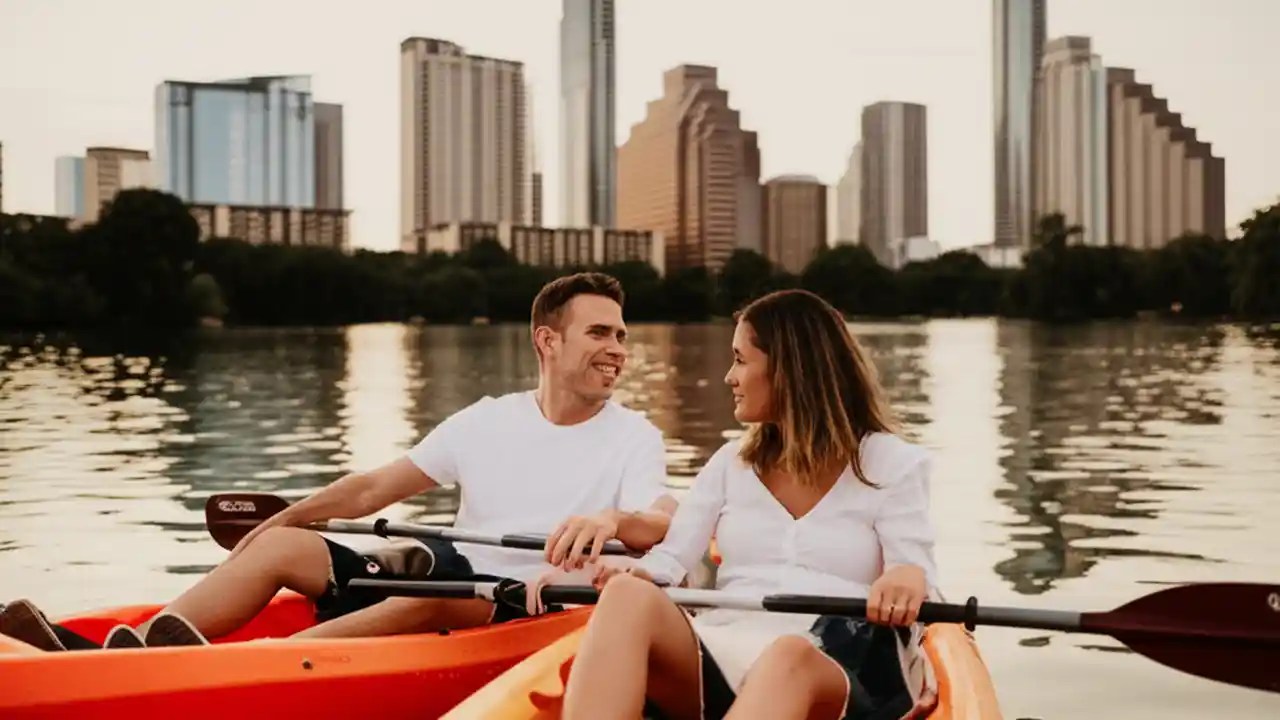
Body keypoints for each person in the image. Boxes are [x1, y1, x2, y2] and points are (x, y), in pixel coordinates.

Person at [1, 272, 677, 651]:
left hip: (524, 607)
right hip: (454, 575)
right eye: (600, 332)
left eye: (622, 334)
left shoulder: (634, 438)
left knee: (424, 589)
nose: (618, 347)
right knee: (287, 547)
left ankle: (260, 665)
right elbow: (372, 490)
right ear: (548, 341)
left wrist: (610, 517)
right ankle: (119, 651)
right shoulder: (487, 420)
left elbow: (655, 524)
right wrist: (284, 521)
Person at [553, 289, 939, 720]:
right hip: (728, 648)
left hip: (837, 665)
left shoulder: (893, 462)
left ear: (790, 369)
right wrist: (633, 571)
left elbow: (914, 568)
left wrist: (906, 576)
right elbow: (670, 558)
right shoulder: (730, 463)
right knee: (627, 594)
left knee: (787, 657)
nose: (729, 377)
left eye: (740, 359)